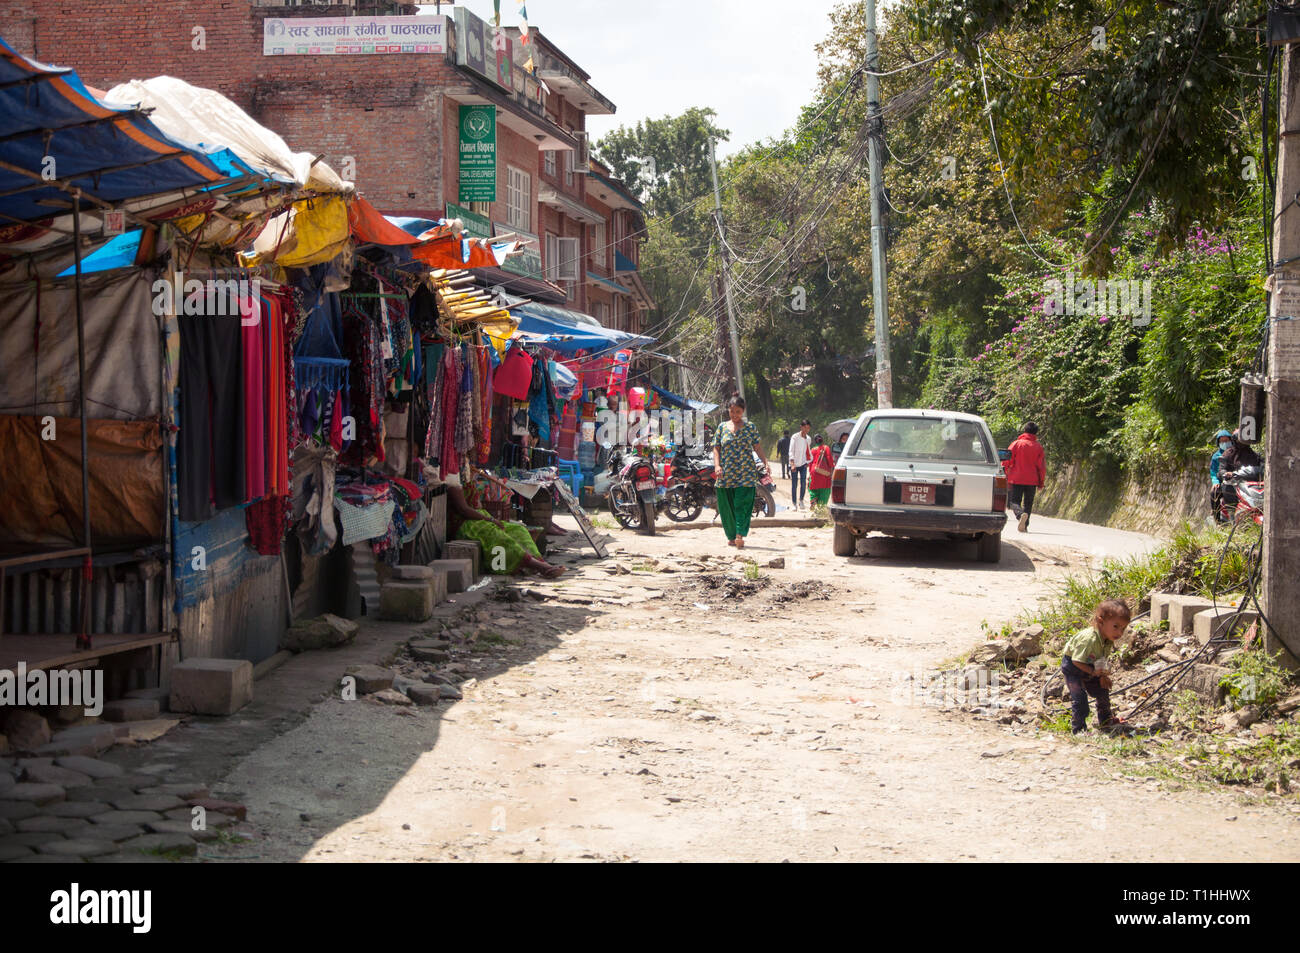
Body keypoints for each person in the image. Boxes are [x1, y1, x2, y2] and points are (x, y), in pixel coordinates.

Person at [444, 466, 567, 578]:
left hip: (479, 517)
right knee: (498, 536)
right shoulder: (452, 476)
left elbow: (477, 504)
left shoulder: (465, 470)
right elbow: (464, 510)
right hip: (464, 524)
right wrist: (490, 519)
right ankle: (541, 567)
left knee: (518, 530)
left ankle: (539, 562)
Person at [1060, 599, 1131, 733]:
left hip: (1090, 666)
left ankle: (1105, 721)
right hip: (1073, 667)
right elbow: (1076, 660)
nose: (1120, 633)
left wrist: (1102, 676)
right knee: (1080, 700)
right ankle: (1078, 729)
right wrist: (1093, 673)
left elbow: (1101, 658)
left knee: (1102, 691)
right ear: (1100, 621)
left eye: (1123, 628)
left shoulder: (1107, 640)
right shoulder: (1089, 639)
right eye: (1116, 627)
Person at [712, 393, 771, 549]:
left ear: (743, 411)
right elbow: (716, 448)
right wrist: (717, 466)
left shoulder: (750, 427)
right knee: (727, 505)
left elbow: (757, 447)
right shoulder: (722, 427)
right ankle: (731, 536)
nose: (735, 415)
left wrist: (765, 462)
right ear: (728, 411)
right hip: (726, 474)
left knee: (742, 503)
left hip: (746, 473)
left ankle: (739, 535)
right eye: (732, 411)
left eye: (738, 412)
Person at [1005, 421, 1046, 533]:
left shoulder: (1017, 444)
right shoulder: (1038, 447)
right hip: (1032, 480)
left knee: (1014, 501)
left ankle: (1020, 515)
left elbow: (1007, 460)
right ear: (1036, 433)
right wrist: (1041, 482)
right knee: (1028, 503)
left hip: (1017, 478)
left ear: (1025, 430)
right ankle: (1025, 526)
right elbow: (1041, 467)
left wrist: (1004, 471)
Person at [788, 419, 813, 511]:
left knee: (803, 483)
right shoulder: (795, 437)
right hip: (794, 464)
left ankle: (801, 500)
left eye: (808, 428)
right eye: (805, 427)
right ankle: (794, 503)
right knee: (794, 484)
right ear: (801, 427)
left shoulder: (808, 439)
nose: (806, 429)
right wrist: (792, 464)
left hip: (803, 464)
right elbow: (791, 451)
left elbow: (807, 451)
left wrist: (807, 462)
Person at [1209, 428, 1233, 521]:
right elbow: (1213, 471)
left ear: (1231, 440)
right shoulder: (1216, 456)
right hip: (1223, 482)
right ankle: (1217, 520)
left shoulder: (1236, 452)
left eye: (1226, 440)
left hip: (1238, 480)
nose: (1225, 443)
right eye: (1222, 441)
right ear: (1218, 443)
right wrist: (1215, 482)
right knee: (1214, 493)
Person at [808, 433, 834, 508]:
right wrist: (833, 467)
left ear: (815, 441)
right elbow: (830, 461)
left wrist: (810, 474)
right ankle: (821, 508)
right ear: (822, 440)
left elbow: (810, 463)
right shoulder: (826, 448)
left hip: (814, 471)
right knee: (824, 491)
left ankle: (813, 499)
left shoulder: (812, 450)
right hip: (824, 473)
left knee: (813, 489)